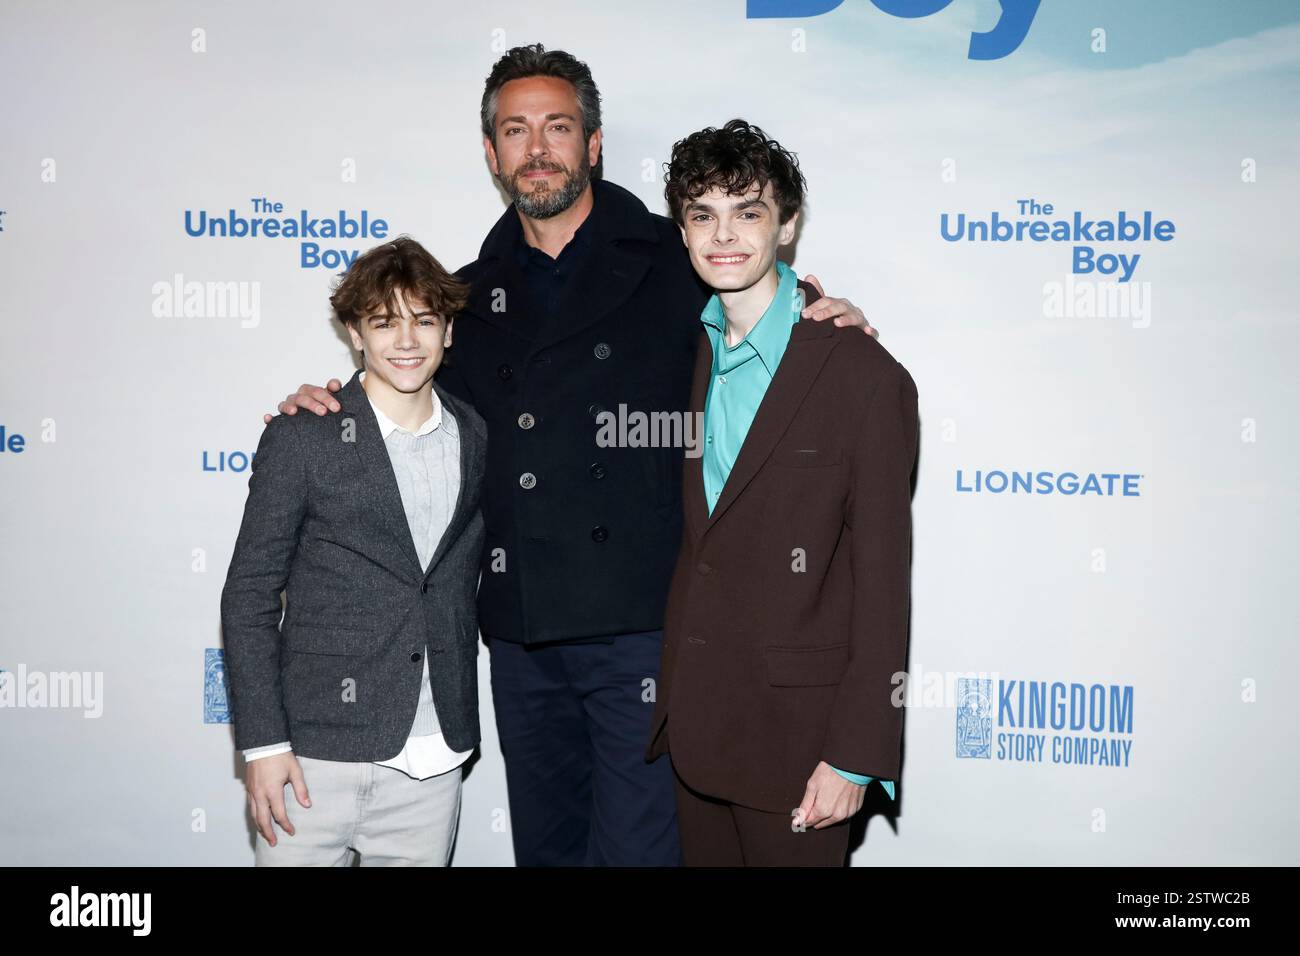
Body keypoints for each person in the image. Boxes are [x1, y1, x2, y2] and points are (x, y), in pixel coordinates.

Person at [270, 45, 875, 867]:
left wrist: (822, 311)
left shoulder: (677, 255)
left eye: (558, 127)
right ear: (492, 155)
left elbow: (758, 295)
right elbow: (398, 380)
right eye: (516, 131)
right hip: (522, 633)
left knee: (639, 855)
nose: (538, 147)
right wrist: (326, 403)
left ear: (593, 144)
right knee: (548, 851)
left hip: (644, 627)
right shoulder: (465, 293)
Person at [645, 120, 919, 866]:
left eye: (748, 211)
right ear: (682, 230)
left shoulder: (865, 378)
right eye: (702, 215)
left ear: (788, 224)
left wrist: (857, 755)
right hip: (698, 734)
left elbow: (884, 583)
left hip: (802, 748)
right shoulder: (694, 351)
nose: (723, 235)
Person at [221, 236, 487, 866]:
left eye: (424, 320)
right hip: (309, 759)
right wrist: (263, 747)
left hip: (431, 760)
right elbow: (249, 595)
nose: (406, 340)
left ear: (448, 332)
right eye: (384, 321)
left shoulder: (475, 434)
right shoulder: (303, 435)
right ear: (354, 333)